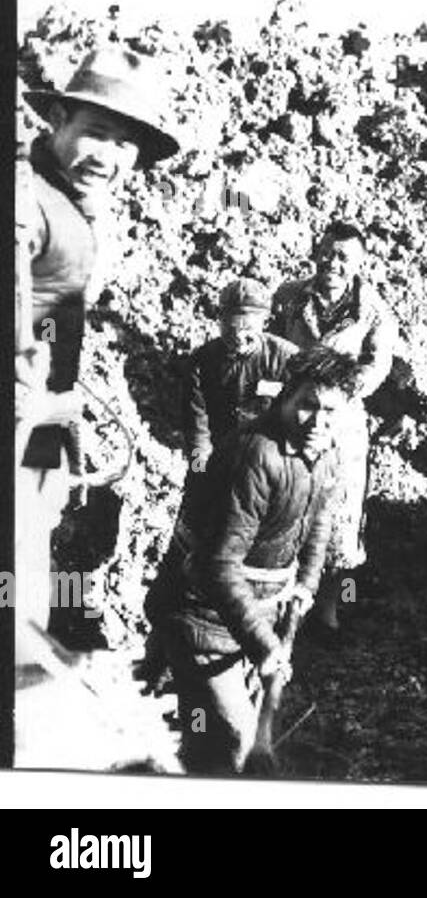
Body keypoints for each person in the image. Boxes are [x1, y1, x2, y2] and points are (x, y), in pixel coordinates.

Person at [15, 47, 178, 646]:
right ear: (57, 118)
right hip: (20, 419)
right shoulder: (26, 203)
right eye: (96, 134)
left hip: (41, 417)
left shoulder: (76, 207)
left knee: (41, 542)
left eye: (124, 144)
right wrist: (41, 404)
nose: (107, 157)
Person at [144, 346, 360, 774]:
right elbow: (216, 565)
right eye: (308, 406)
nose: (319, 422)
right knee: (236, 745)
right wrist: (264, 644)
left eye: (332, 412)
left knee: (217, 737)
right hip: (202, 618)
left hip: (251, 615)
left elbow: (318, 521)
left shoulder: (324, 451)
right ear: (285, 398)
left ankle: (193, 736)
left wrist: (307, 585)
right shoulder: (256, 455)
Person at [270, 221, 398, 641]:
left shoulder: (374, 310)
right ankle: (278, 599)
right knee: (286, 500)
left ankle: (332, 607)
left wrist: (339, 388)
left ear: (359, 263)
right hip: (293, 415)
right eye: (326, 252)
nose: (332, 262)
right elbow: (270, 348)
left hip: (342, 423)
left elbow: (377, 365)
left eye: (343, 256)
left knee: (340, 517)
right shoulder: (290, 297)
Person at [184, 277, 299, 477]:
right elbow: (196, 429)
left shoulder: (288, 359)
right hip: (220, 456)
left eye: (247, 331)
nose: (238, 339)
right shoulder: (201, 362)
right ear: (219, 321)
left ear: (265, 323)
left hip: (271, 461)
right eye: (230, 330)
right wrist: (198, 468)